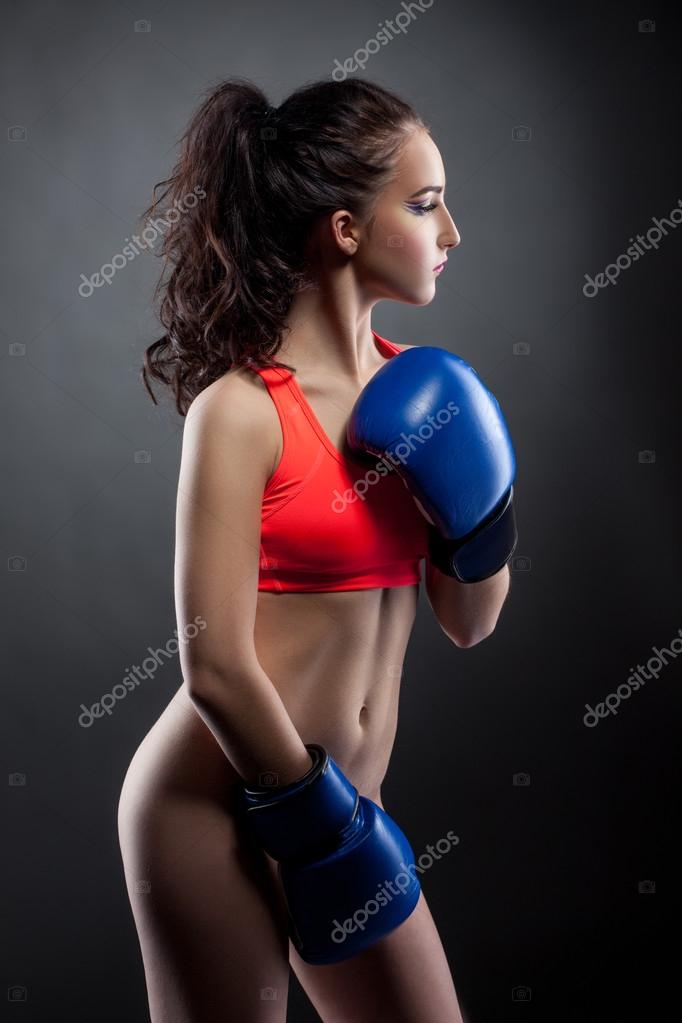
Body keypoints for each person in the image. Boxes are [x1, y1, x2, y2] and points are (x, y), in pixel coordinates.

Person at [117, 75, 513, 1022]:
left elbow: (469, 622)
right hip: (216, 809)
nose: (451, 232)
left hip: (341, 813)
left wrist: (486, 509)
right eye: (424, 205)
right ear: (345, 229)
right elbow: (213, 662)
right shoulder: (242, 411)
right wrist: (312, 820)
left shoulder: (426, 396)